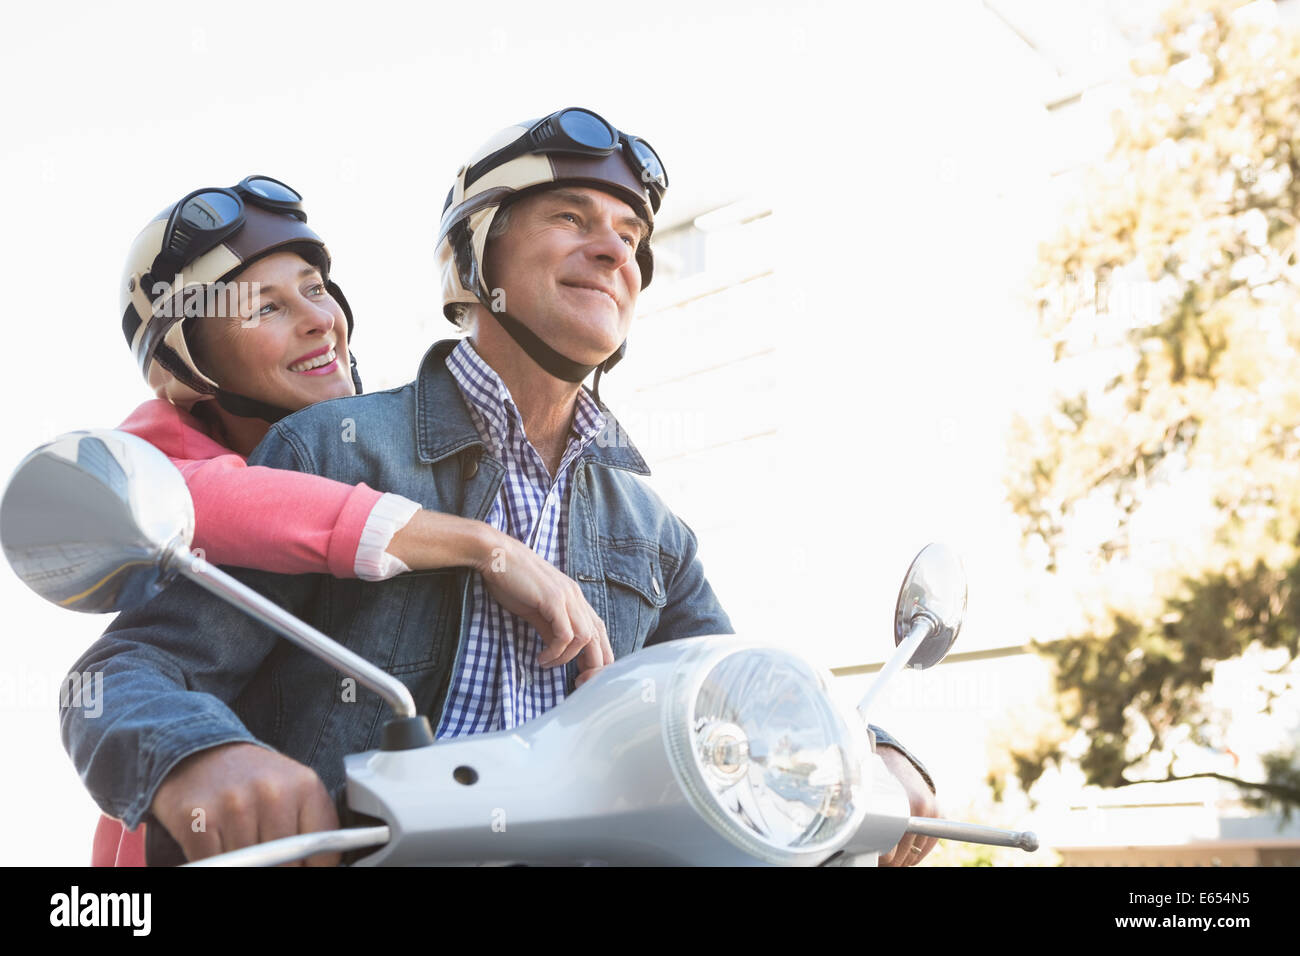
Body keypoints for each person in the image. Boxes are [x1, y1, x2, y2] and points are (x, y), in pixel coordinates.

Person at [63, 110, 937, 866]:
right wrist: (199, 758)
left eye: (630, 238)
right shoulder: (331, 450)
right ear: (479, 261)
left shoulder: (652, 525)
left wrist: (876, 752)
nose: (613, 250)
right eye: (570, 216)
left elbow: (736, 709)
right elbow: (124, 672)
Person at [91, 176, 612, 865]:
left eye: (314, 289)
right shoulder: (159, 467)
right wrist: (488, 548)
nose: (316, 320)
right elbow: (234, 504)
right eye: (264, 308)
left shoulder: (382, 456)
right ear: (185, 369)